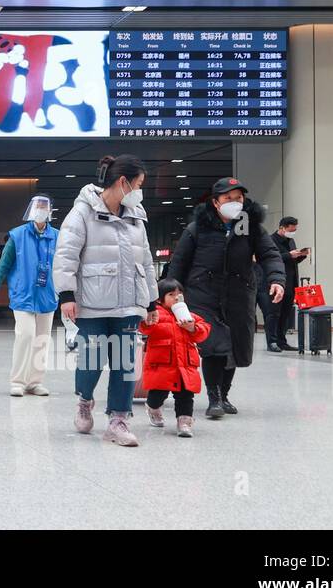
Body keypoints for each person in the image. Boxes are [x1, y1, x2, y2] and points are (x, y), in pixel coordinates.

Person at [53, 155, 158, 448]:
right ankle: (85, 400)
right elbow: (65, 257)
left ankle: (118, 420)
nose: (140, 191)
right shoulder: (82, 213)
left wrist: (151, 302)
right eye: (138, 184)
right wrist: (66, 296)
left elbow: (146, 262)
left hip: (128, 302)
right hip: (93, 303)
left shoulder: (137, 215)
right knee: (92, 360)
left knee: (125, 363)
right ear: (123, 182)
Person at [167, 177, 285, 419]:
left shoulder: (250, 227)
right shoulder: (197, 228)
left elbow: (270, 254)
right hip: (203, 295)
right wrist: (172, 295)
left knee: (234, 346)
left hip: (239, 295)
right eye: (228, 198)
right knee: (214, 345)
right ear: (215, 202)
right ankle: (214, 398)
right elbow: (179, 263)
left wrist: (276, 279)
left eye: (238, 198)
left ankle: (224, 393)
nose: (234, 202)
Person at [0, 194, 59, 397]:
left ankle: (35, 382)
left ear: (50, 211)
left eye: (45, 207)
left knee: (42, 339)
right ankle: (18, 381)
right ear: (31, 210)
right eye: (38, 206)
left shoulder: (57, 236)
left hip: (47, 295)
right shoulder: (17, 236)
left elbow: (65, 265)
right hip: (23, 294)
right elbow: (5, 263)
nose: (41, 210)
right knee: (25, 335)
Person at [141, 278, 212, 438]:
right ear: (160, 299)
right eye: (172, 294)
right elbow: (144, 327)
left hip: (185, 366)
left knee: (186, 395)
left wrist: (193, 328)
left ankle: (184, 422)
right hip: (162, 366)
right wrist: (148, 320)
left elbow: (204, 330)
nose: (177, 297)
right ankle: (153, 408)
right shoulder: (156, 315)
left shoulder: (189, 315)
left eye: (180, 294)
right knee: (157, 395)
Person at [266, 217, 307, 352]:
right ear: (282, 227)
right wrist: (289, 255)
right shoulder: (270, 240)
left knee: (285, 314)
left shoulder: (291, 241)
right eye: (291, 230)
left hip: (291, 281)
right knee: (274, 313)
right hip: (277, 282)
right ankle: (271, 342)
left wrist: (300, 255)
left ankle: (282, 341)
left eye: (295, 230)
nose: (293, 232)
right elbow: (271, 259)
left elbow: (291, 261)